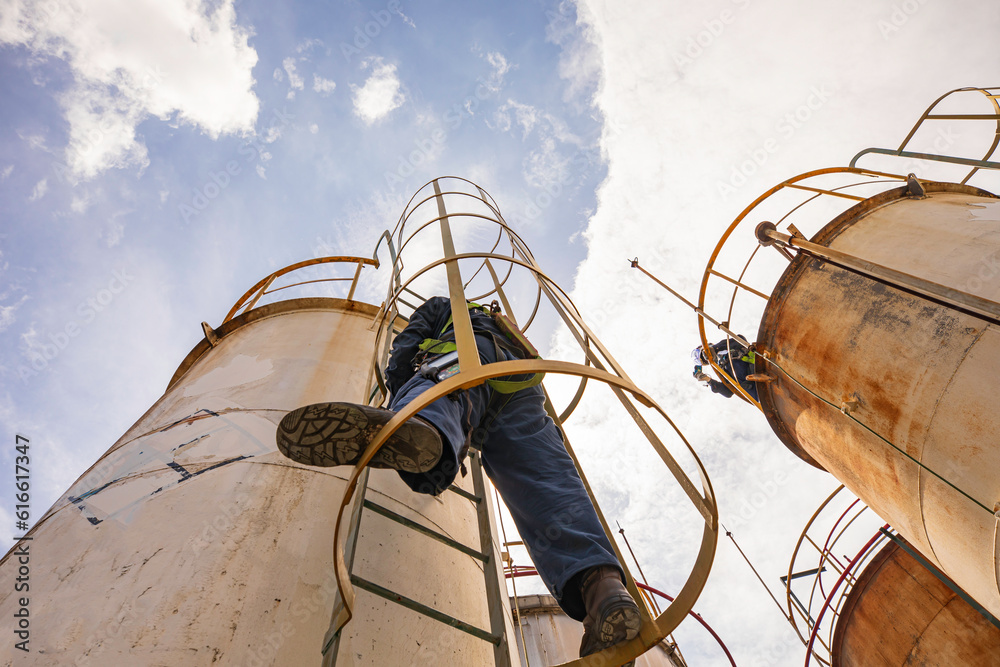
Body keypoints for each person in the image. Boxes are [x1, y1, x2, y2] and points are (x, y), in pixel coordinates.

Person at [276, 296, 642, 662]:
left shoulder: (446, 306)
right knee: (546, 480)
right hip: (522, 381)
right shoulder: (503, 323)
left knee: (442, 386)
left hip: (470, 353)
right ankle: (602, 590)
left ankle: (420, 422)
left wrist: (398, 389)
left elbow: (409, 342)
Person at [692, 338, 759, 401]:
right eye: (706, 361)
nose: (708, 358)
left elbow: (740, 339)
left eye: (705, 355)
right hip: (757, 389)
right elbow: (728, 392)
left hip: (758, 367)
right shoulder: (722, 368)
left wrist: (715, 349)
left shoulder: (726, 346)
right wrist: (709, 381)